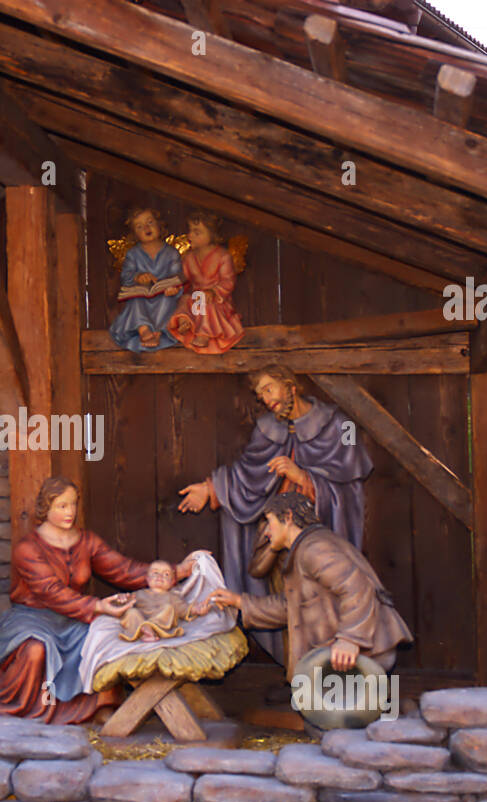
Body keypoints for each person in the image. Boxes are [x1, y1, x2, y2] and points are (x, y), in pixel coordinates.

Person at [0, 476, 200, 723]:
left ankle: (97, 706)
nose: (70, 512)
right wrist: (98, 606)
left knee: (102, 638)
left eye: (73, 504)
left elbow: (124, 569)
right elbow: (51, 592)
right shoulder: (28, 549)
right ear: (46, 508)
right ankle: (22, 707)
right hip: (30, 618)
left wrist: (176, 571)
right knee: (36, 649)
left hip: (74, 617)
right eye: (62, 506)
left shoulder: (86, 541)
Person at [177, 365, 372, 663]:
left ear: (290, 385)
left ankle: (324, 672)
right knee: (287, 604)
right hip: (280, 540)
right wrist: (210, 489)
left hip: (320, 540)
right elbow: (248, 474)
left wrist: (304, 478)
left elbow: (350, 483)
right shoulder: (268, 428)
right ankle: (296, 674)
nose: (266, 399)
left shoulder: (340, 425)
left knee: (320, 604)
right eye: (260, 394)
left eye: (269, 389)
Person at [205, 491, 411, 672]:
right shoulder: (306, 548)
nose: (266, 532)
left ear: (288, 517)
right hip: (362, 652)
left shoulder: (314, 549)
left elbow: (356, 587)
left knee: (331, 714)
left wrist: (350, 639)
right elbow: (291, 606)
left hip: (365, 653)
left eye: (269, 522)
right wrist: (240, 602)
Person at [166, 211, 244, 354]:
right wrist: (175, 287)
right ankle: (185, 322)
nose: (190, 236)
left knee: (204, 302)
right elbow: (184, 279)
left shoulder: (223, 256)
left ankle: (204, 333)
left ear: (212, 234)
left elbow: (228, 281)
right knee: (185, 300)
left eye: (197, 232)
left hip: (216, 301)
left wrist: (213, 291)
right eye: (190, 231)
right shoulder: (189, 258)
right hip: (197, 299)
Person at [108, 207, 183, 352]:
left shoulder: (171, 253)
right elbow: (126, 275)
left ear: (159, 225)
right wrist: (138, 277)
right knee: (136, 301)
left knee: (167, 302)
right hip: (142, 295)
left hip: (164, 294)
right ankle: (143, 330)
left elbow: (176, 275)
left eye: (150, 222)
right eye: (140, 226)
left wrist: (172, 288)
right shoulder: (133, 254)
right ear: (135, 234)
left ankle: (159, 333)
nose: (146, 228)